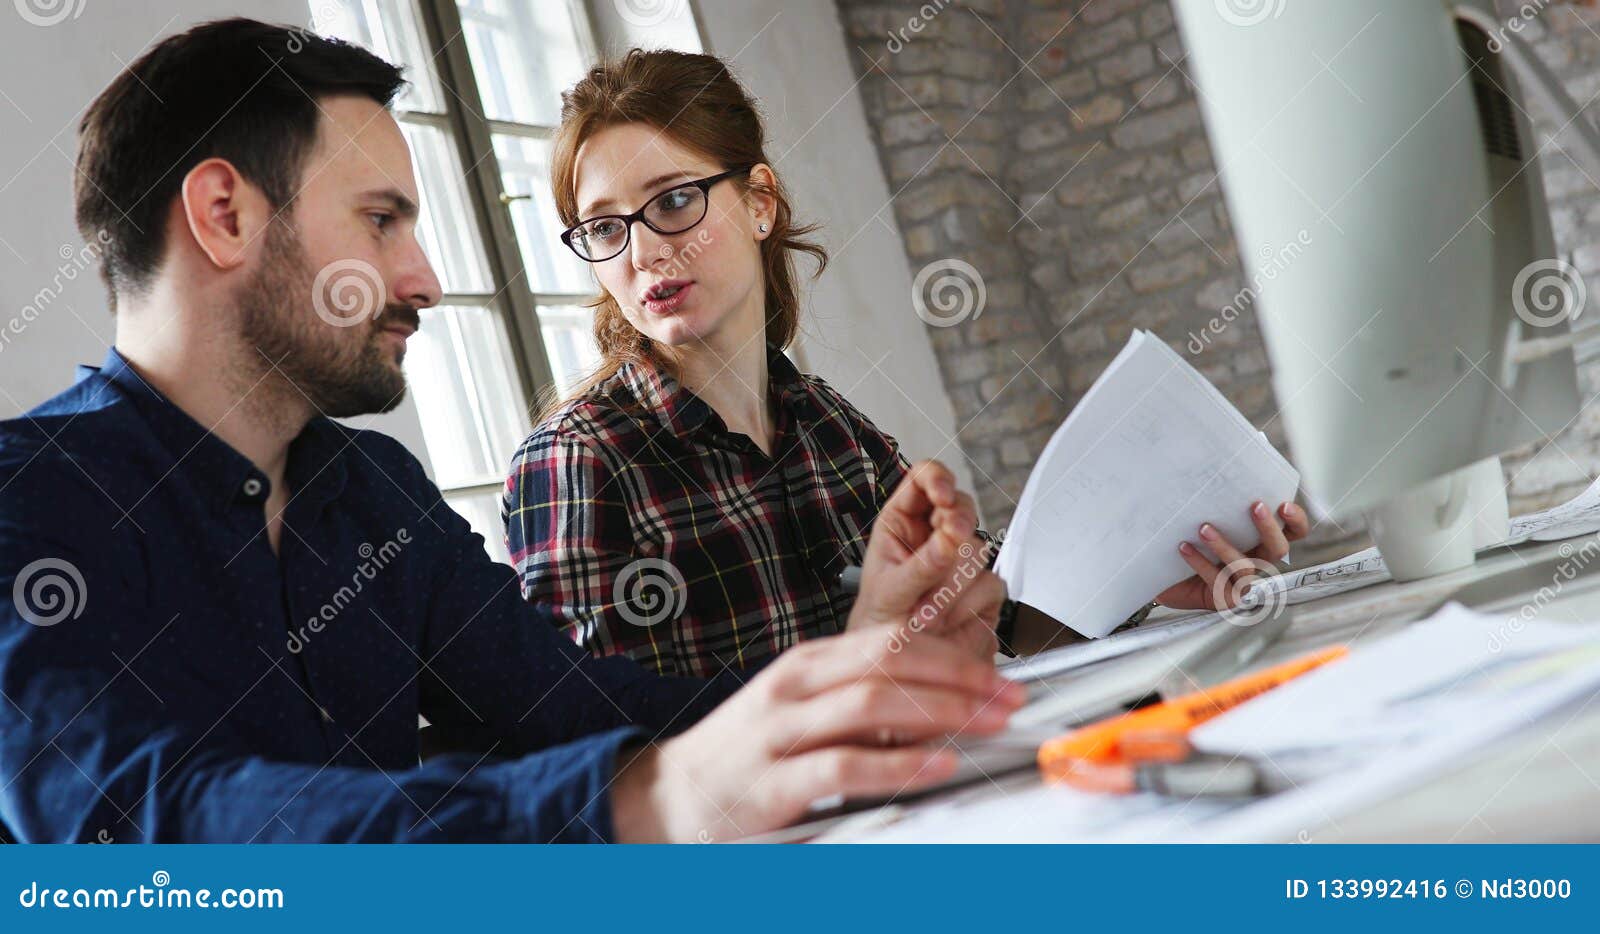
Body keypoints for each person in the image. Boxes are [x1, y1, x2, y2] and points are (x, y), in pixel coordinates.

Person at [0, 18, 1020, 845]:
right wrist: (636, 802)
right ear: (224, 214)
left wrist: (858, 660)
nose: (426, 280)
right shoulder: (26, 498)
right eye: (381, 220)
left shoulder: (373, 492)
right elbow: (140, 826)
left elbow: (575, 706)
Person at [503, 49, 1310, 673]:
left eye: (674, 200)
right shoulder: (578, 463)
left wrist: (1150, 575)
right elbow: (601, 749)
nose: (641, 251)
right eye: (604, 228)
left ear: (759, 202)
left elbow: (1001, 616)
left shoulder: (827, 427)